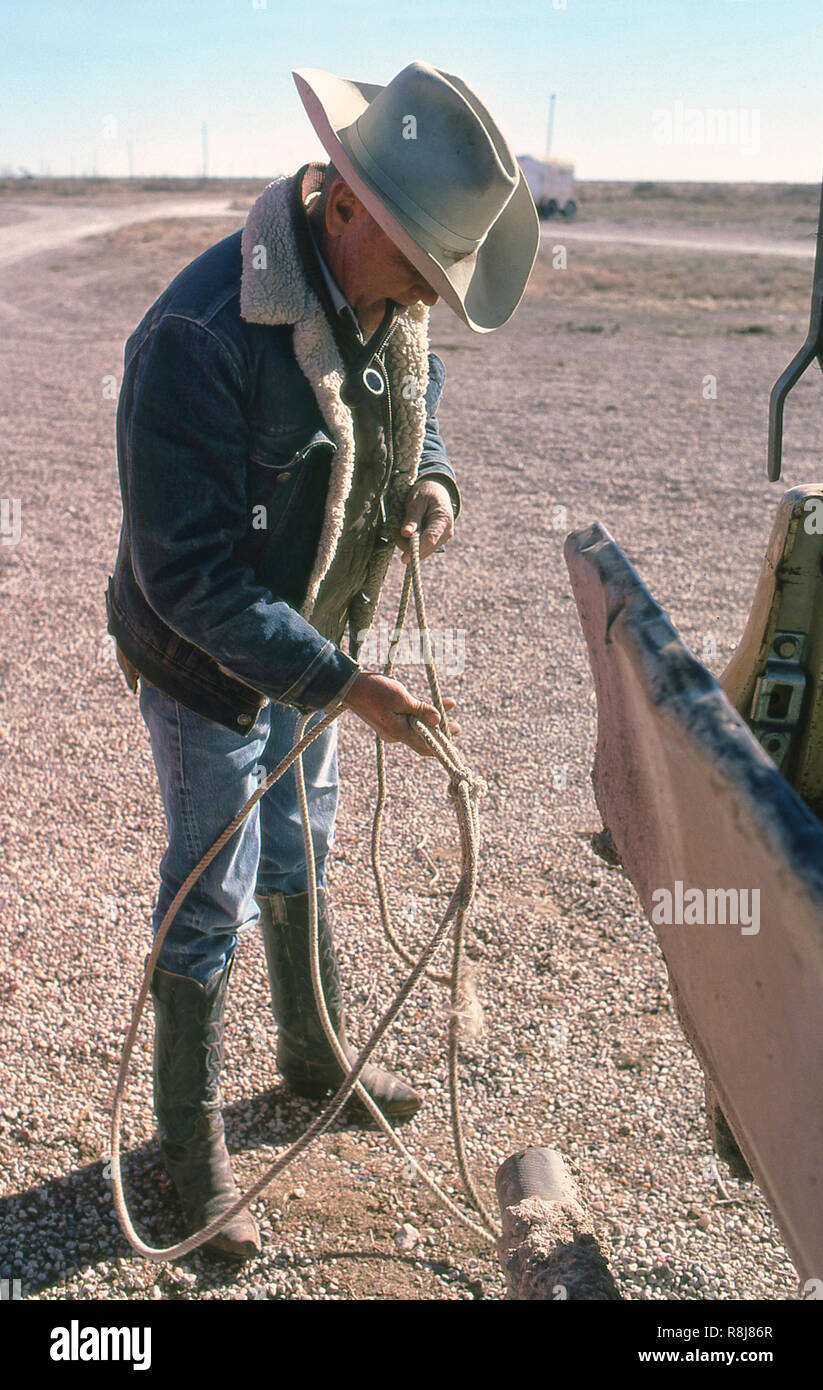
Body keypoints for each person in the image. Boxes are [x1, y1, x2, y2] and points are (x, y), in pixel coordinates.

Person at [106, 60, 539, 1259]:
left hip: (320, 647)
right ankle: (188, 1163)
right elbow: (183, 576)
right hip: (214, 673)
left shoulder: (380, 305)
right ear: (344, 207)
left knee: (306, 847)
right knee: (209, 897)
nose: (426, 302)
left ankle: (311, 1057)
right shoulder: (195, 336)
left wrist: (432, 478)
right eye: (418, 268)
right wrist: (349, 684)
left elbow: (418, 391)